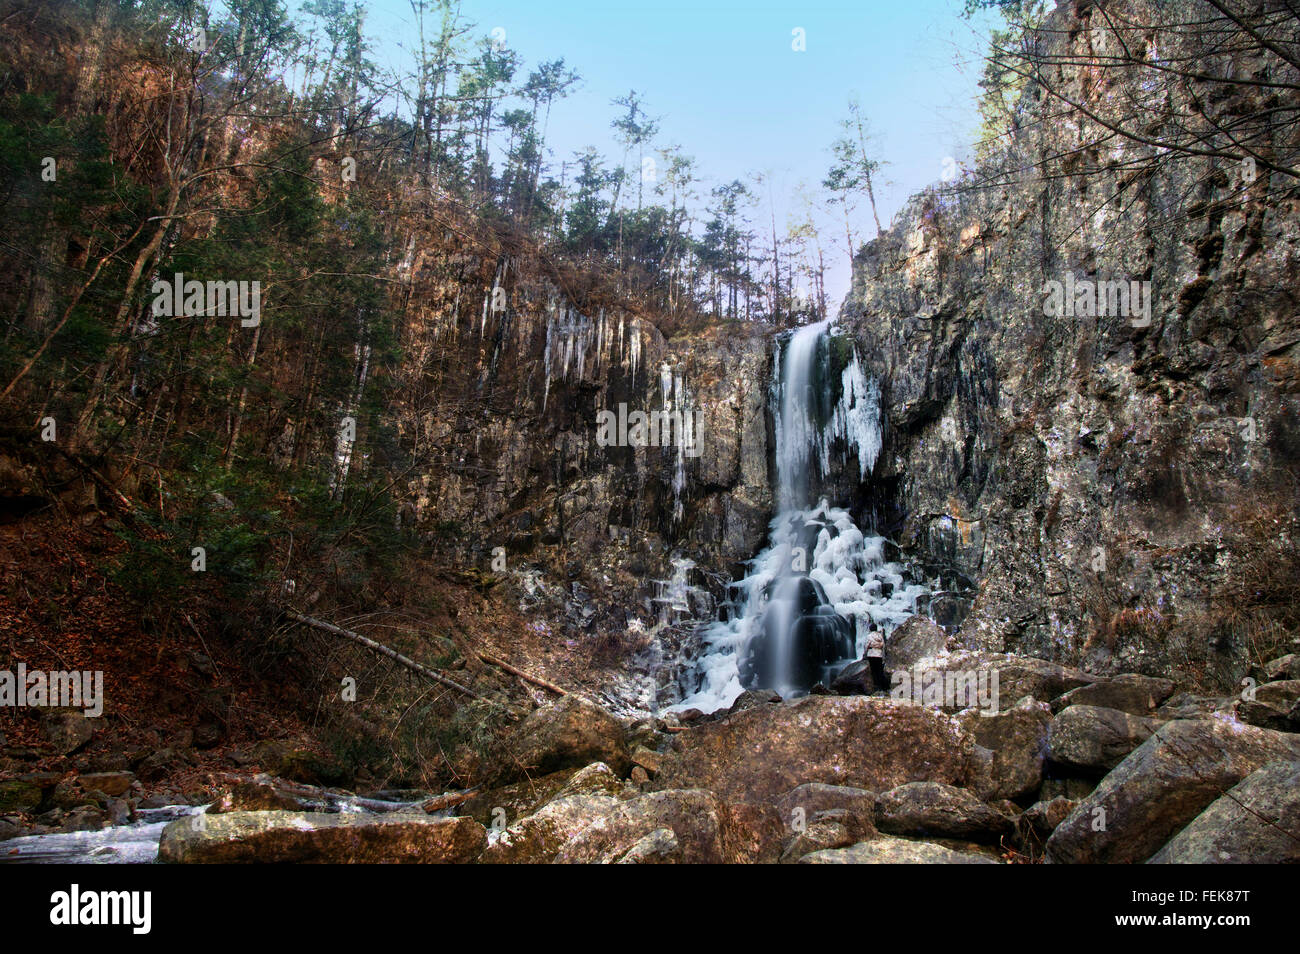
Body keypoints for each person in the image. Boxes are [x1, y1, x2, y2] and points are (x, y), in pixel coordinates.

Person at [864, 622, 887, 692]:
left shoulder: (869, 636)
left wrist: (865, 653)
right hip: (879, 654)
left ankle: (876, 686)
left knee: (874, 671)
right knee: (879, 670)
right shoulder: (880, 635)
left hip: (871, 654)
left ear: (870, 629)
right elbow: (883, 645)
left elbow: (866, 646)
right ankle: (882, 686)